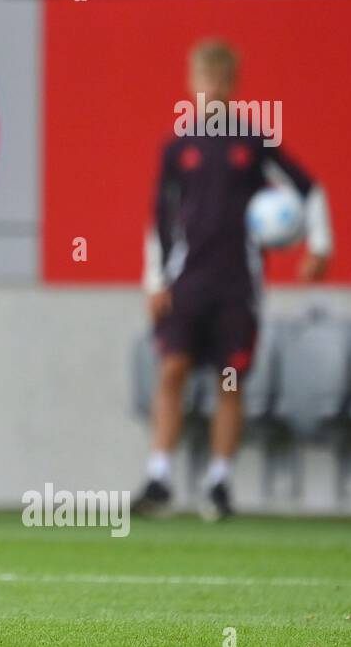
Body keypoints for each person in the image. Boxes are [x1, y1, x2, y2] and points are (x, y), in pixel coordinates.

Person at [137, 40, 333, 520]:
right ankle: (159, 476)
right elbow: (158, 218)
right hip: (186, 283)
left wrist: (319, 246)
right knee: (172, 371)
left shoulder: (254, 143)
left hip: (237, 287)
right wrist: (154, 281)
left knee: (230, 381)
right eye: (205, 80)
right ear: (193, 85)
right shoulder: (179, 147)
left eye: (221, 81)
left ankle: (219, 483)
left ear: (232, 85)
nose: (213, 90)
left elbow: (309, 190)